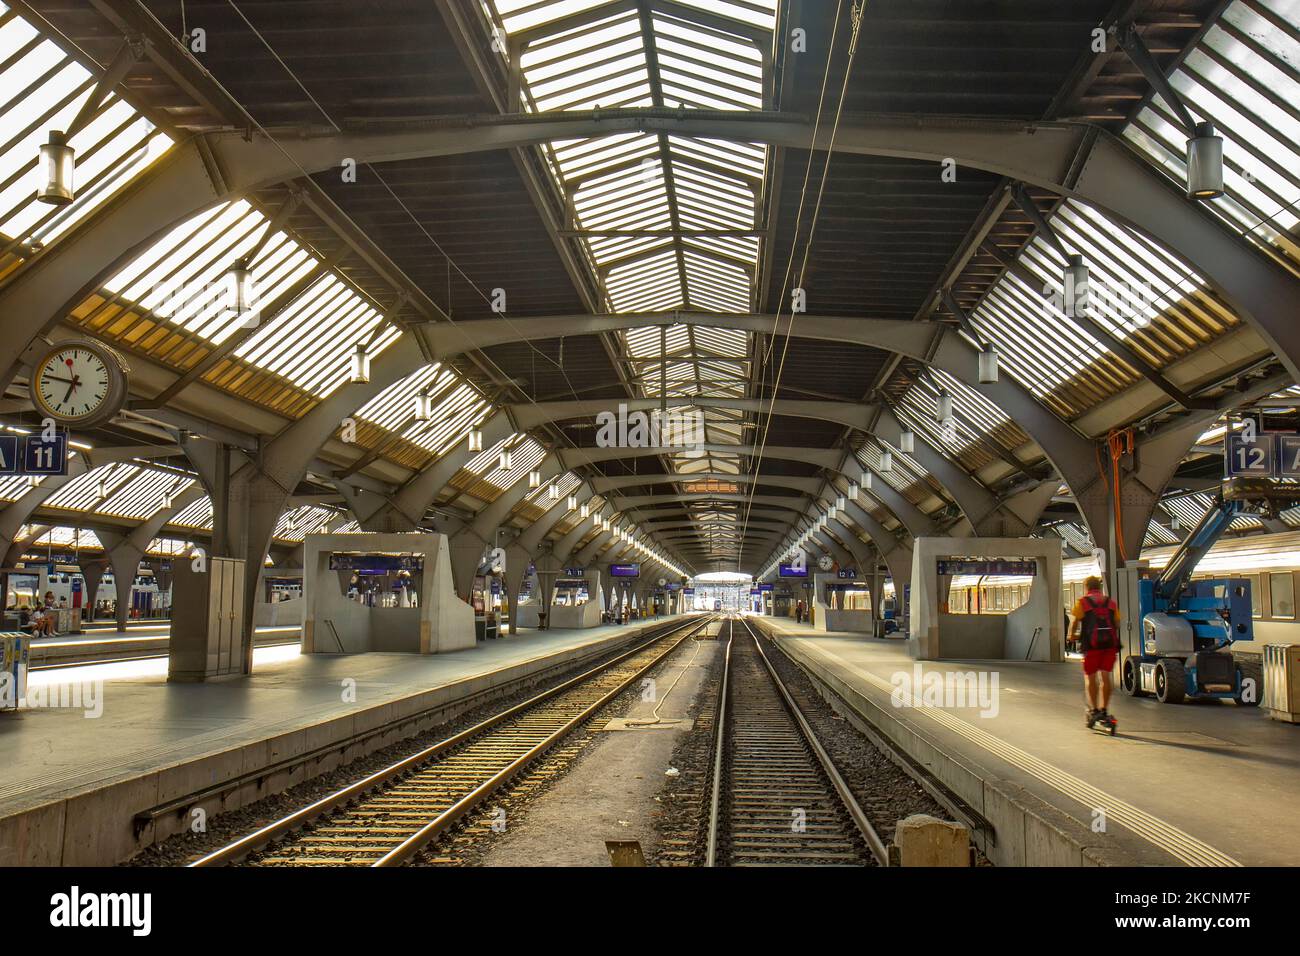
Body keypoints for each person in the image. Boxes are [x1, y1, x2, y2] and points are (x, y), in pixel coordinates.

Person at [1070, 575, 1121, 729]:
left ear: (1086, 588)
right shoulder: (1110, 603)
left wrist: (1072, 636)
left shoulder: (1082, 602)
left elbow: (1074, 622)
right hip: (1109, 646)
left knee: (1090, 678)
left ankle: (1094, 710)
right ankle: (1104, 710)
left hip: (1091, 647)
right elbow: (1117, 623)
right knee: (1105, 677)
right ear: (1098, 587)